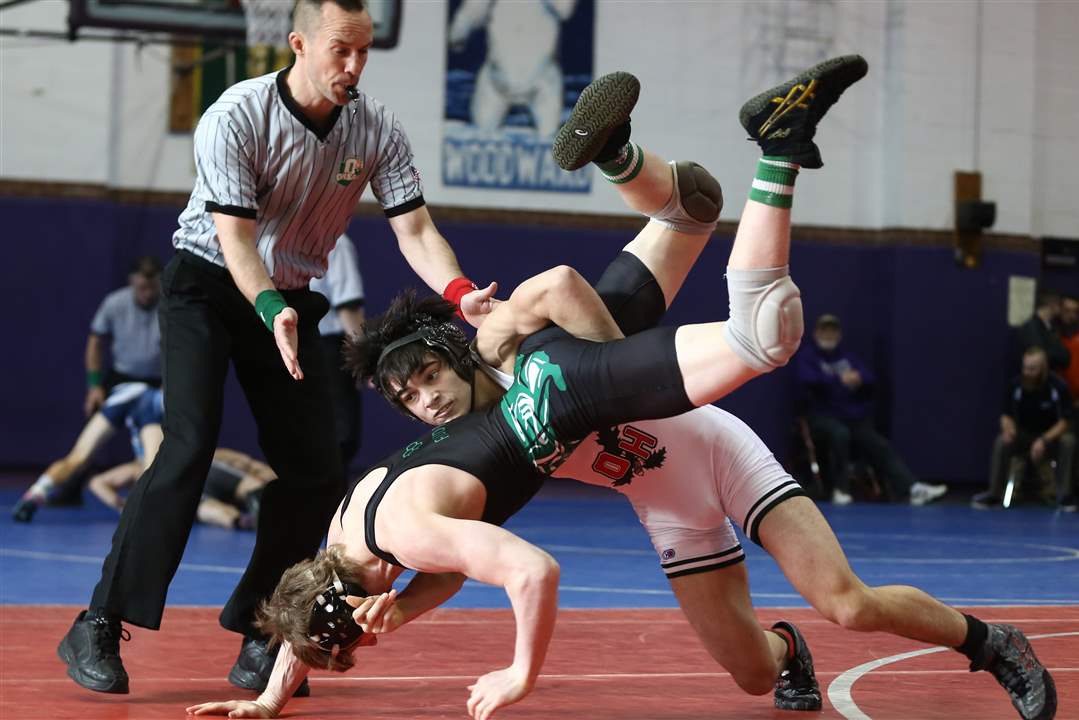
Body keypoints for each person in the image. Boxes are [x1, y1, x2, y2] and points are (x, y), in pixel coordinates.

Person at [189, 61, 1055, 720]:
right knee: (752, 673)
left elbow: (555, 292)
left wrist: (620, 371)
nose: (427, 404)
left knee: (847, 600)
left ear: (451, 356)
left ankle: (989, 642)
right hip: (657, 490)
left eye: (428, 381)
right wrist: (270, 696)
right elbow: (324, 589)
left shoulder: (504, 349)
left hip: (681, 427)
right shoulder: (365, 529)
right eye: (408, 401)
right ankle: (619, 154)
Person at [57, 0, 496, 699]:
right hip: (207, 287)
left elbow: (413, 228)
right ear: (297, 44)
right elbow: (234, 238)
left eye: (363, 52)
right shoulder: (236, 114)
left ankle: (263, 631)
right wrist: (269, 310)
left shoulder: (375, 126)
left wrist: (459, 288)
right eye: (339, 51)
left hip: (289, 297)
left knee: (316, 471)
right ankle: (100, 620)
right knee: (188, 443)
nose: (352, 66)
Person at [12, 256, 163, 522]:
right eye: (142, 287)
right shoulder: (116, 303)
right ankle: (35, 496)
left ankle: (145, 513)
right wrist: (94, 386)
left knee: (153, 466)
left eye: (152, 288)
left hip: (155, 390)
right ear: (132, 283)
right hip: (122, 387)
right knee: (79, 455)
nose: (147, 293)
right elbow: (95, 342)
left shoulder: (170, 304)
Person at [793, 313, 948, 505]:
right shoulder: (809, 357)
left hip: (852, 418)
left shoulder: (847, 357)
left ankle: (912, 488)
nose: (829, 335)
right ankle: (840, 489)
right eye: (825, 331)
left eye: (833, 331)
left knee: (877, 443)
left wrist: (858, 379)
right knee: (840, 434)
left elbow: (868, 378)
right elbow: (807, 379)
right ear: (816, 334)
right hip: (822, 417)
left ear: (839, 335)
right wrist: (839, 380)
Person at [448, 0, 577, 138]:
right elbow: (471, 13)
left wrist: (457, 35)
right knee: (480, 139)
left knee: (549, 142)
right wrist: (457, 34)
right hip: (496, 79)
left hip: (542, 82)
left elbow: (565, 10)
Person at [974, 346, 1076, 510]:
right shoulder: (1016, 385)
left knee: (1068, 441)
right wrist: (1008, 428)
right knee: (1002, 441)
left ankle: (1065, 495)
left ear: (1043, 369)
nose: (1027, 372)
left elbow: (1065, 421)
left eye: (1032, 369)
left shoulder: (1058, 387)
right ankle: (994, 493)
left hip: (1050, 437)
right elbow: (1006, 414)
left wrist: (1044, 440)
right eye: (1025, 367)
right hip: (1024, 435)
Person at [89, 445, 274, 531]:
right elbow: (97, 483)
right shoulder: (143, 465)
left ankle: (245, 520)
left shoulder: (142, 466)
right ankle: (257, 515)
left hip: (190, 481)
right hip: (200, 470)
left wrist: (121, 506)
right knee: (252, 489)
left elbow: (97, 483)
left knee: (215, 511)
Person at [309, 234, 366, 471]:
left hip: (287, 345)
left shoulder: (277, 236)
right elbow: (347, 305)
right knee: (340, 436)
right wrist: (364, 357)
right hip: (327, 349)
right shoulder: (335, 241)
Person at [1016, 289, 1070, 373]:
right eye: (1060, 305)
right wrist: (1055, 352)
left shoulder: (1051, 327)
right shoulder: (1031, 327)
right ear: (1052, 304)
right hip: (1034, 381)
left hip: (1049, 379)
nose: (1061, 309)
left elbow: (1065, 358)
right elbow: (1039, 357)